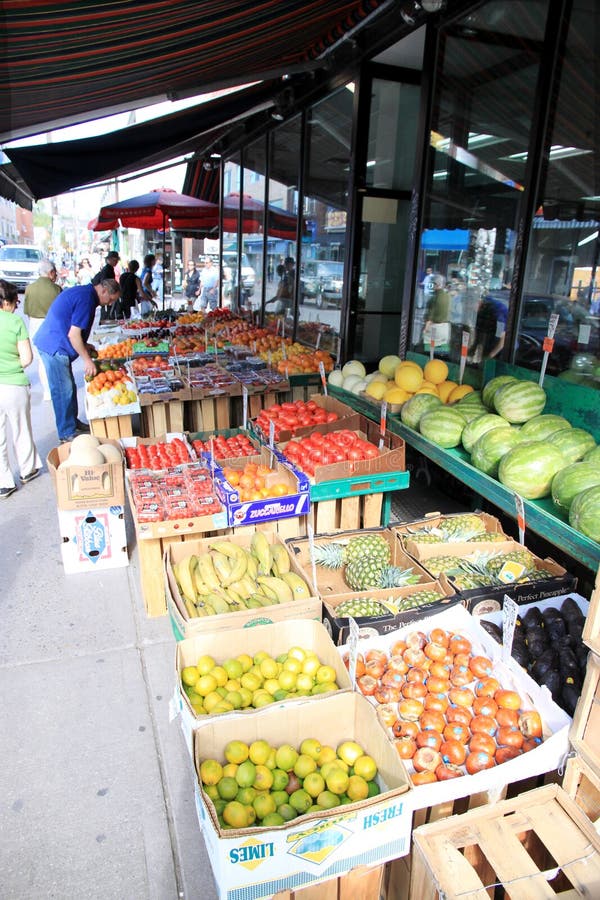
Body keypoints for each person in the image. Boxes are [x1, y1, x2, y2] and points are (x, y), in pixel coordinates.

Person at [34, 278, 121, 443]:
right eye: (110, 299)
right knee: (62, 390)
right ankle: (66, 432)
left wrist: (85, 345)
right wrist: (87, 360)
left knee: (68, 387)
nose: (108, 304)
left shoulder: (84, 293)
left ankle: (72, 423)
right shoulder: (86, 299)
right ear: (103, 291)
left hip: (54, 341)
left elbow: (73, 329)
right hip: (55, 346)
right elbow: (73, 335)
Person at [0, 279, 42, 498]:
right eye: (15, 302)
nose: (16, 306)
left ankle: (4, 483)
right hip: (13, 385)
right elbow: (27, 358)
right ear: (6, 301)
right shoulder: (15, 322)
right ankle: (27, 470)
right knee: (21, 428)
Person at [23, 258, 61, 400]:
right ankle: (54, 388)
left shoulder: (29, 288)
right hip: (52, 325)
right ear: (51, 272)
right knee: (54, 358)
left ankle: (47, 392)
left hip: (34, 325)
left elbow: (27, 311)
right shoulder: (56, 289)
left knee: (41, 360)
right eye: (55, 273)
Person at [471, 294, 508, 361]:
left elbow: (502, 339)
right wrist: (473, 348)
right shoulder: (482, 308)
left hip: (503, 349)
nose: (471, 310)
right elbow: (478, 331)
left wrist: (489, 357)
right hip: (490, 341)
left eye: (471, 307)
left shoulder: (497, 311)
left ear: (478, 301)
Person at [423, 274, 451, 353]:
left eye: (432, 283)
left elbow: (430, 317)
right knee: (442, 352)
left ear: (436, 284)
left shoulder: (434, 298)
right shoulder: (448, 296)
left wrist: (425, 329)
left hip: (434, 329)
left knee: (429, 353)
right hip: (445, 328)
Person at [92, 250, 120, 321]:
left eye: (117, 260)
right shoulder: (107, 269)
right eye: (114, 260)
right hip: (105, 294)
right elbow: (105, 283)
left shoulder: (109, 269)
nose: (116, 262)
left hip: (106, 294)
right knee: (106, 313)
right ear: (108, 260)